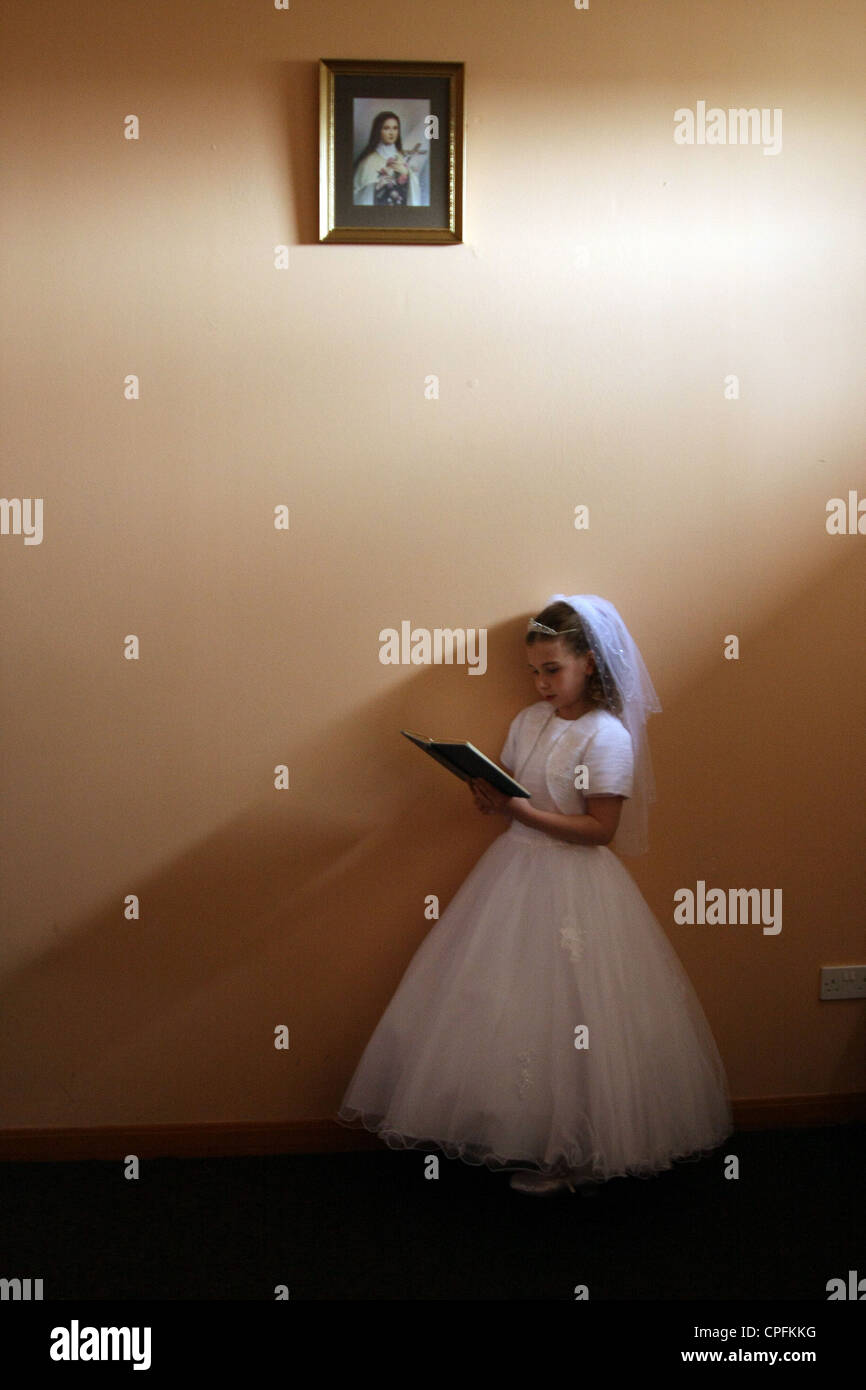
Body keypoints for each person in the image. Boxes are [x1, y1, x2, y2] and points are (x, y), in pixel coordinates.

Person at [337, 594, 734, 1196]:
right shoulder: (528, 721)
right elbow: (511, 790)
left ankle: (574, 1151)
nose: (542, 683)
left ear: (590, 665)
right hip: (512, 873)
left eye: (554, 669)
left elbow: (600, 832)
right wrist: (490, 797)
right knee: (499, 1003)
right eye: (535, 671)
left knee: (575, 1012)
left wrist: (520, 810)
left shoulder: (607, 737)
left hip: (576, 885)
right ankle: (513, 1132)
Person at [353, 110, 426, 206]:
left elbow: (415, 195)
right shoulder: (368, 162)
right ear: (378, 131)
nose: (391, 133)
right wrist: (376, 187)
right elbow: (356, 196)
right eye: (386, 128)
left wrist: (407, 175)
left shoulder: (401, 159)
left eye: (395, 128)